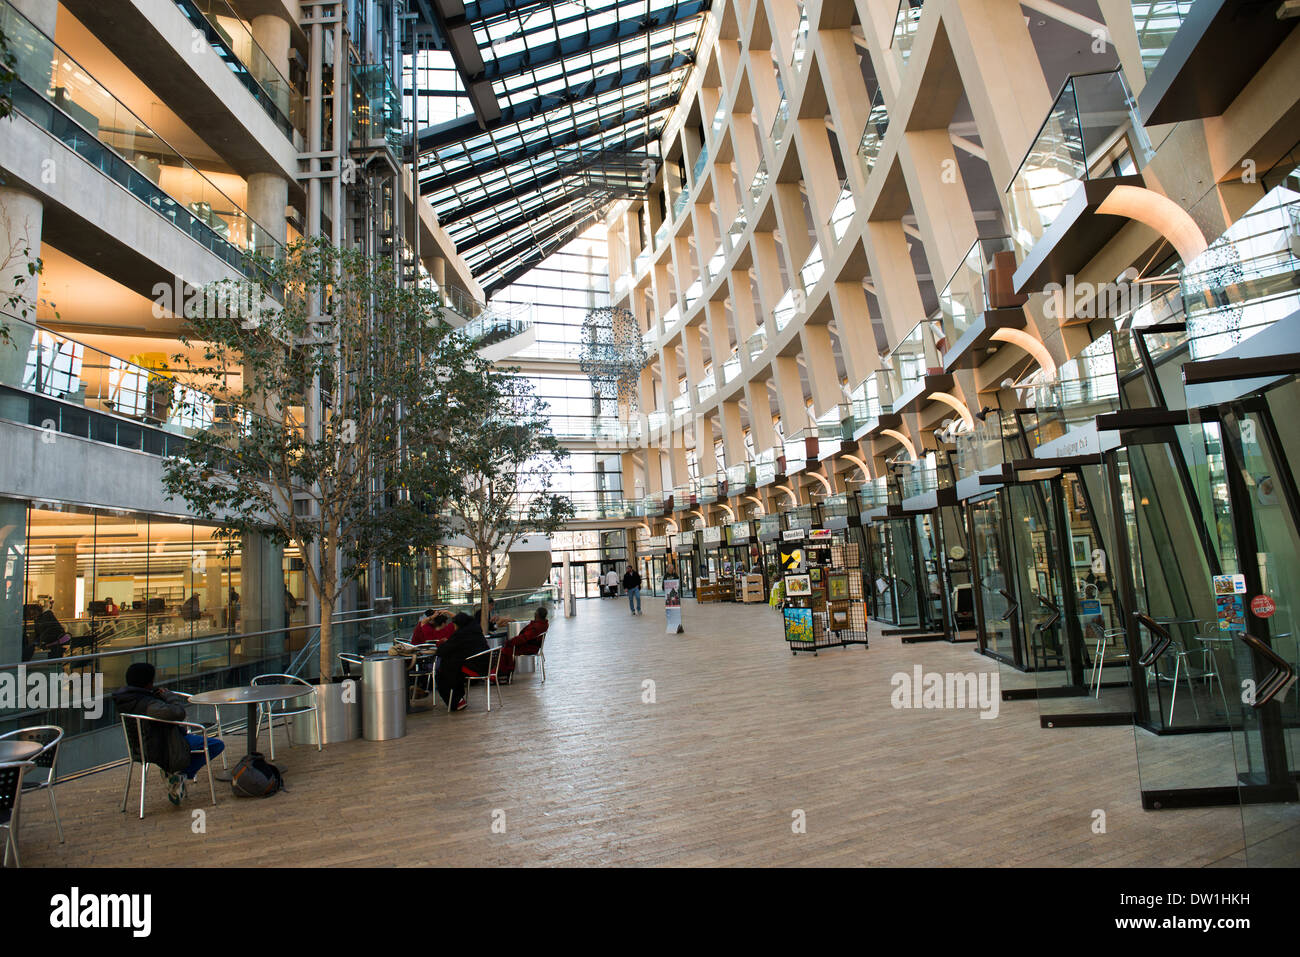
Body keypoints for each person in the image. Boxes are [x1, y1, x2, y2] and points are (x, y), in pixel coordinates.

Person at [112, 661, 225, 806]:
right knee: (216, 744)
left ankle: (175, 772)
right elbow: (178, 713)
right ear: (148, 682)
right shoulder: (148, 704)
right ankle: (179, 774)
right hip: (163, 746)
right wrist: (170, 697)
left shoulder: (126, 699)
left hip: (140, 746)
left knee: (196, 745)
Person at [434, 612, 489, 711]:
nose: (454, 628)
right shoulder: (475, 629)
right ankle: (458, 698)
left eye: (455, 625)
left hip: (475, 667)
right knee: (453, 665)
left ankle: (456, 701)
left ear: (459, 624)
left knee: (443, 671)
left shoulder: (461, 634)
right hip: (485, 664)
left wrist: (442, 644)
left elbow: (443, 650)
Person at [498, 606, 549, 681]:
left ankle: (504, 671)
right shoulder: (543, 624)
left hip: (529, 648)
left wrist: (511, 641)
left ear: (537, 615)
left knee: (507, 649)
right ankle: (505, 671)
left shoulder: (536, 626)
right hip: (532, 646)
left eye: (535, 613)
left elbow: (524, 637)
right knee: (508, 648)